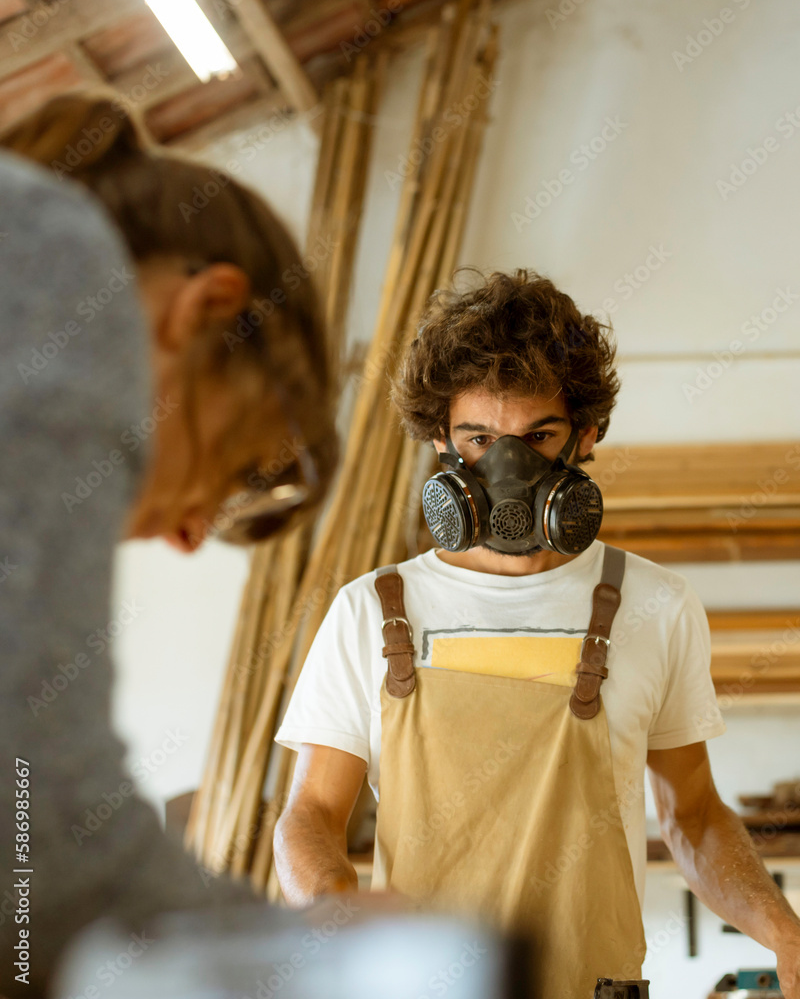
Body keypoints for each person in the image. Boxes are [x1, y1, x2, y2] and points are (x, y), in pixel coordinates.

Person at [273, 269, 800, 998]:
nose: (508, 467)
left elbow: (697, 817)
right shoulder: (372, 610)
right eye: (480, 437)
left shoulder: (655, 605)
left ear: (584, 434)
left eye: (537, 436)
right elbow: (311, 815)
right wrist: (334, 914)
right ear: (440, 443)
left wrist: (786, 935)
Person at [0, 91, 337, 998]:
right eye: (229, 466)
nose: (190, 539)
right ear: (203, 311)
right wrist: (325, 958)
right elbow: (34, 844)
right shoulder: (52, 258)